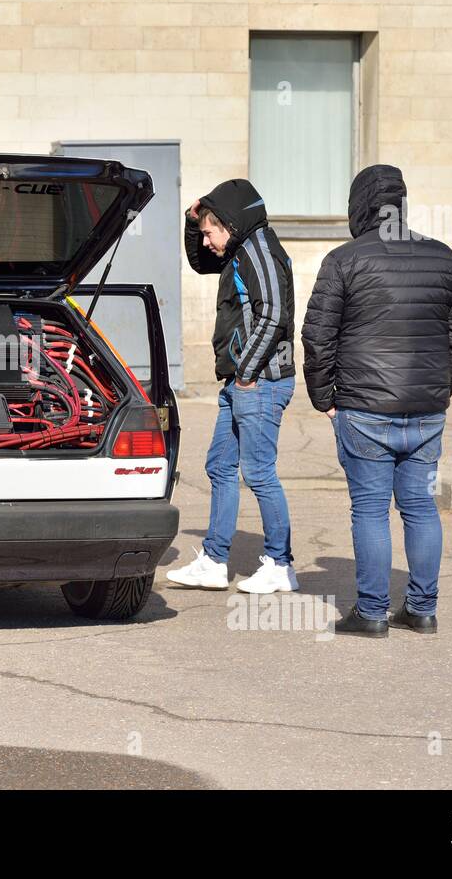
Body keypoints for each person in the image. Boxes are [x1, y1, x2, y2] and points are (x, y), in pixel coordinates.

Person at [301, 164, 452, 637]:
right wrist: (437, 389)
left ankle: (373, 613)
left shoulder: (343, 259)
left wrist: (325, 399)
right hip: (425, 413)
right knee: (420, 507)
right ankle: (422, 610)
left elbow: (318, 338)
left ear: (357, 205)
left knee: (371, 510)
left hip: (363, 410)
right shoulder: (443, 257)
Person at [167, 180, 297, 594]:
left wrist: (246, 373)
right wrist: (192, 224)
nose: (206, 241)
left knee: (258, 473)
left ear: (231, 223)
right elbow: (200, 262)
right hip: (242, 381)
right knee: (220, 467)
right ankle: (214, 560)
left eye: (209, 232)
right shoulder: (239, 250)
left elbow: (274, 313)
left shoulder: (258, 250)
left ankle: (280, 564)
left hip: (260, 382)